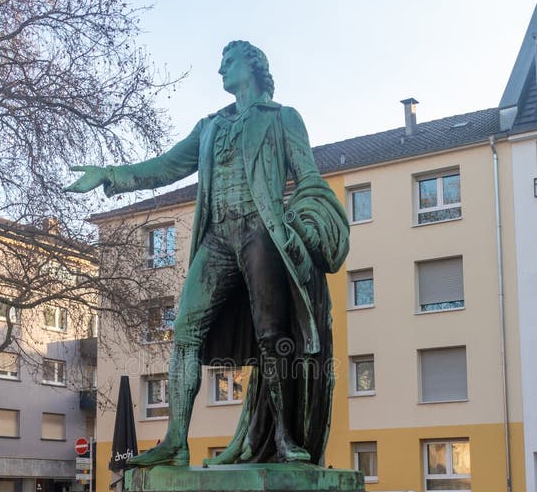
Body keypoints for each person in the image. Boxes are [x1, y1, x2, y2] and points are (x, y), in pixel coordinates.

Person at [66, 41, 349, 467]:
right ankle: (176, 442)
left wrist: (306, 227)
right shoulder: (210, 126)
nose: (219, 69)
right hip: (218, 236)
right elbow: (166, 166)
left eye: (228, 61)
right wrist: (111, 174)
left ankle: (285, 438)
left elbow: (308, 176)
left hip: (261, 230)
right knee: (184, 330)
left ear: (252, 66)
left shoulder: (282, 119)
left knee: (271, 336)